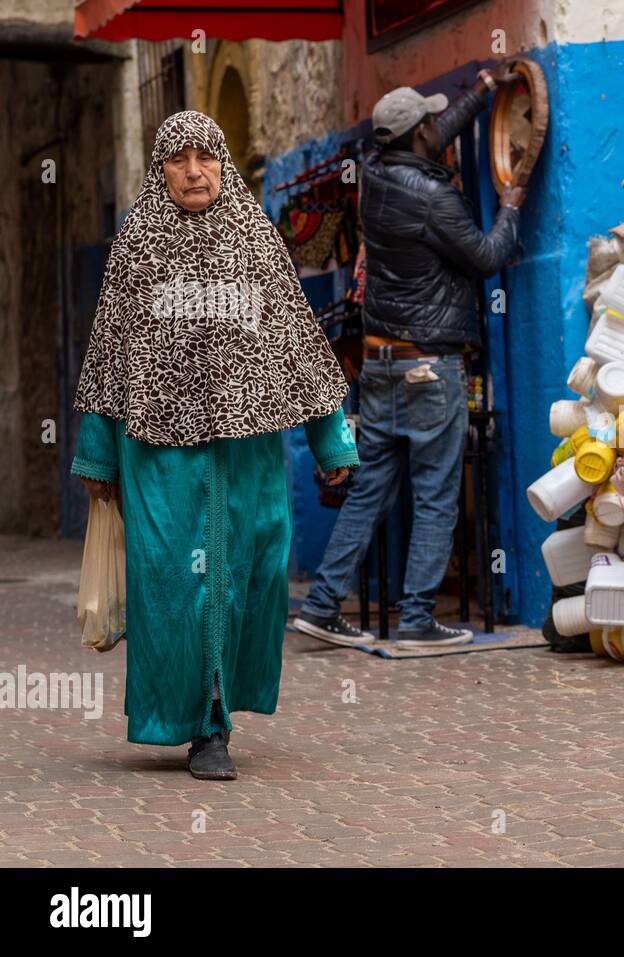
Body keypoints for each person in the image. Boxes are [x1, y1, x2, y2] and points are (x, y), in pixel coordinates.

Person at [72, 111, 359, 780]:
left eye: (206, 156)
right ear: (161, 168)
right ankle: (202, 726)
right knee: (173, 581)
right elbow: (108, 352)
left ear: (222, 163)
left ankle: (219, 714)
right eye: (180, 159)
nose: (194, 169)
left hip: (245, 452)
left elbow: (296, 339)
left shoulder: (256, 239)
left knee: (245, 576)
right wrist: (98, 455)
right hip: (160, 454)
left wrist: (331, 440)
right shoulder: (136, 243)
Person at [294, 69, 525, 650]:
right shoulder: (434, 197)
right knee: (437, 494)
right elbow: (485, 257)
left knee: (370, 489)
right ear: (418, 136)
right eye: (430, 123)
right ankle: (419, 618)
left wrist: (480, 92)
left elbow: (432, 131)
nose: (436, 128)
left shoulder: (375, 176)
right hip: (429, 367)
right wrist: (512, 208)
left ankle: (322, 604)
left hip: (381, 365)